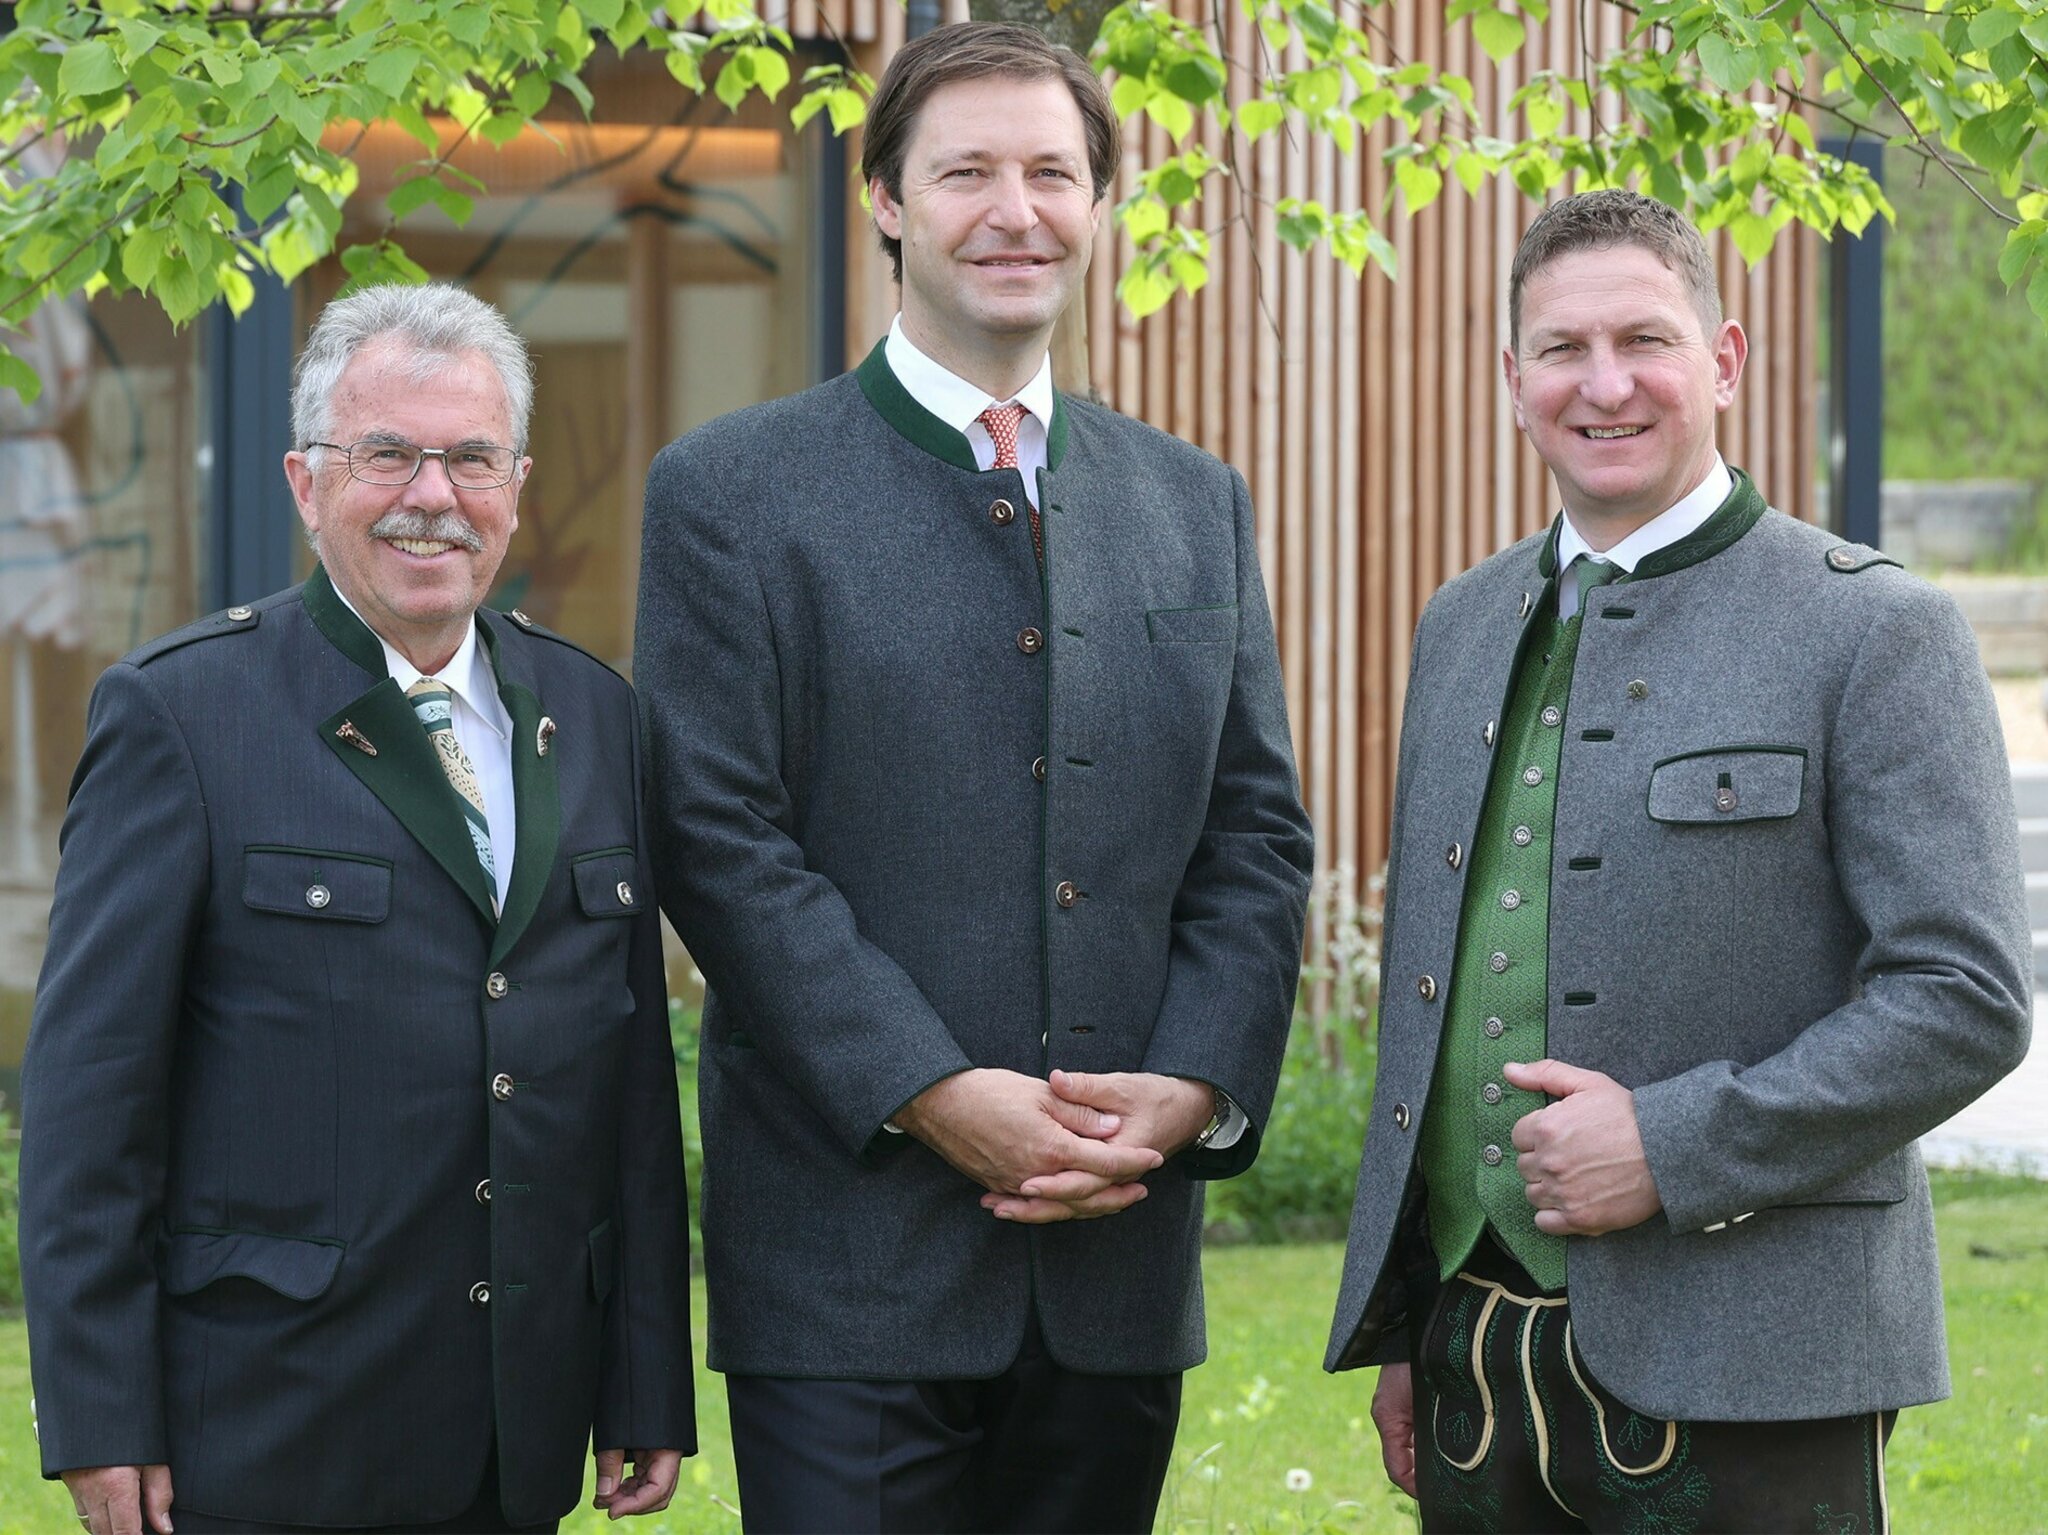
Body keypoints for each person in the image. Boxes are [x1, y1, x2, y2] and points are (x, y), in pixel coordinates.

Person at [635, 21, 1314, 1535]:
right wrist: (935, 1093)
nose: (1016, 211)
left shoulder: (1194, 501)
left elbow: (1256, 834)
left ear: (1098, 202)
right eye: (966, 173)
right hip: (846, 1266)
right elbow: (718, 837)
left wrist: (1192, 1088)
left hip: (1117, 1259)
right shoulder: (732, 495)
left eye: (1053, 173)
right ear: (884, 200)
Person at [1324, 188, 2032, 1532]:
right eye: (1560, 349)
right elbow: (1451, 981)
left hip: (1757, 1359)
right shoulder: (1459, 623)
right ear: (1512, 376)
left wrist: (1670, 1141)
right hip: (1478, 1350)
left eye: (1645, 339)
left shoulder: (1875, 627)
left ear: (1727, 358)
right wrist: (1415, 1306)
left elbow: (1966, 995)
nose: (1604, 385)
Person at [19, 284, 695, 1535]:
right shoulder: (183, 714)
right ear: (303, 480)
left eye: (470, 457)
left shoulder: (596, 714)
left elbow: (626, 1081)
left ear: (518, 479)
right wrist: (103, 1411)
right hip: (271, 1420)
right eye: (385, 452)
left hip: (516, 1426)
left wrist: (643, 1372)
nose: (431, 494)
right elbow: (90, 1099)